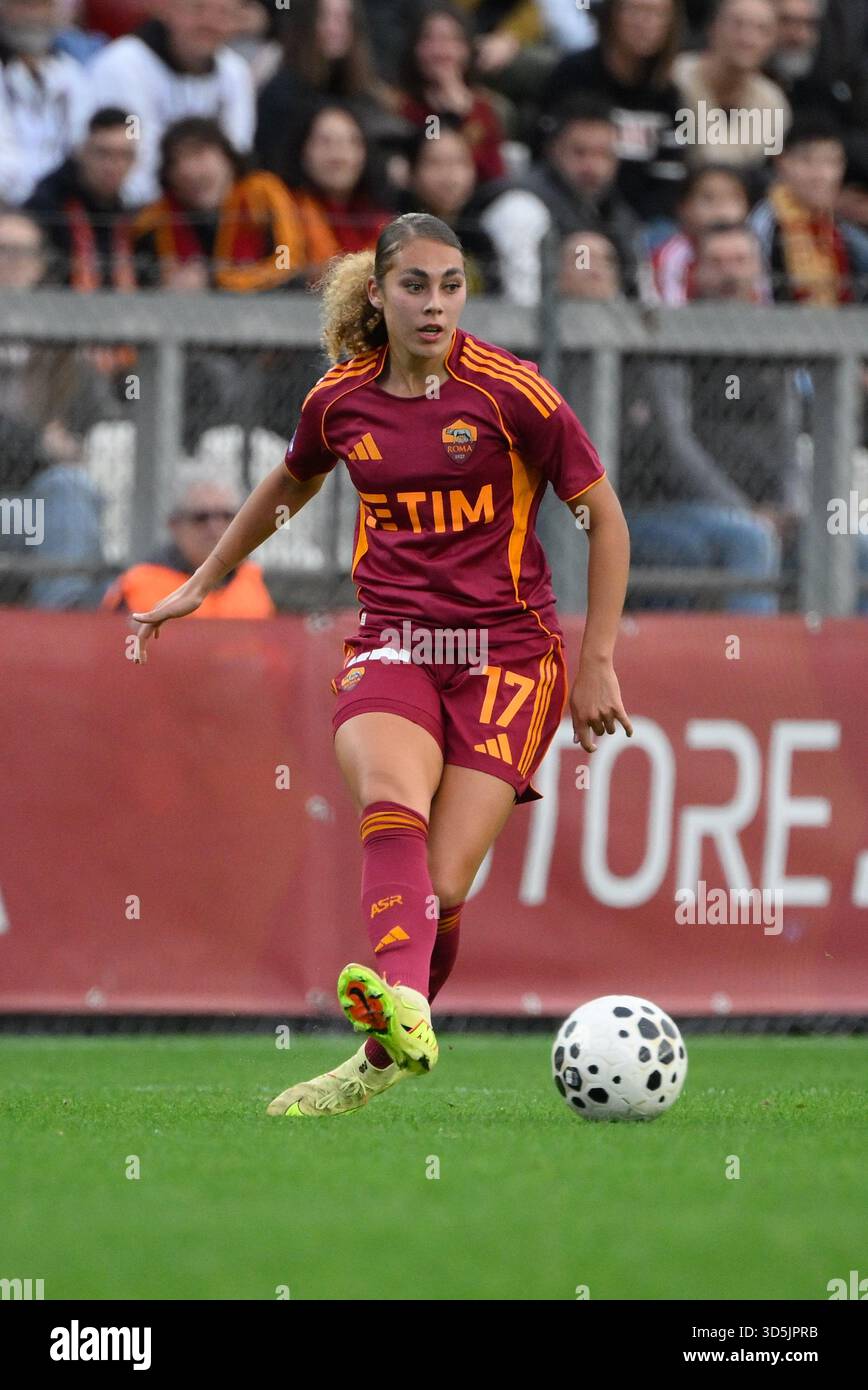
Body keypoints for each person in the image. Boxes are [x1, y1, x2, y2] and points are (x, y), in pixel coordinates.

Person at [128, 210, 633, 1117]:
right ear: (379, 294)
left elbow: (606, 515)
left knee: (440, 888)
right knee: (389, 799)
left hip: (507, 657)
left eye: (451, 286)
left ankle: (378, 1052)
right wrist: (205, 580)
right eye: (415, 286)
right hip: (395, 641)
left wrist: (596, 659)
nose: (436, 304)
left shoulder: (513, 392)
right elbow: (291, 480)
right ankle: (403, 1004)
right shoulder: (340, 399)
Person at [83, 0, 255, 205]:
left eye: (224, 13)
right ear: (166, 8)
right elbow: (133, 145)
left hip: (212, 212)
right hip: (139, 210)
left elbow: (236, 149)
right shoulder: (123, 65)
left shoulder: (235, 73)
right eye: (197, 8)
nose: (211, 23)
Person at [479, 96, 646, 306]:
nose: (593, 167)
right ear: (553, 150)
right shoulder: (519, 207)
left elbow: (645, 299)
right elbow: (520, 303)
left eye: (604, 155)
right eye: (580, 152)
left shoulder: (621, 216)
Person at [101, 476, 275, 618]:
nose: (215, 528)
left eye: (227, 516)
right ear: (175, 525)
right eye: (201, 518)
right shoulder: (140, 583)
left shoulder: (252, 579)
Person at [749, 113, 868, 303]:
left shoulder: (844, 233)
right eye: (807, 161)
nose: (822, 175)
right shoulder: (761, 227)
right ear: (781, 162)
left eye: (832, 162)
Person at [25, 106, 137, 289]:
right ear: (82, 152)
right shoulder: (47, 206)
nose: (114, 165)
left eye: (125, 156)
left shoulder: (129, 214)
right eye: (104, 153)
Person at [0, 0, 90, 204]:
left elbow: (84, 141)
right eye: (25, 5)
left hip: (61, 207)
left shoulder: (72, 73)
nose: (33, 16)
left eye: (43, 6)